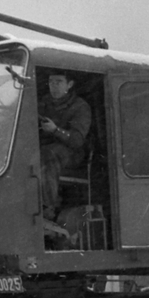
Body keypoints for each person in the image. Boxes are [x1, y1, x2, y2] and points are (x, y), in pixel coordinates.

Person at [39, 71, 91, 218]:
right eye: (51, 82)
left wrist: (55, 130)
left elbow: (77, 140)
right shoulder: (43, 103)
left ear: (70, 84)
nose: (54, 86)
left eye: (59, 82)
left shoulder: (80, 107)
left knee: (48, 154)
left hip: (72, 153)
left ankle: (47, 208)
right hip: (45, 148)